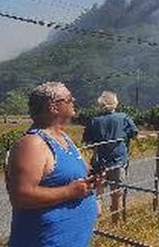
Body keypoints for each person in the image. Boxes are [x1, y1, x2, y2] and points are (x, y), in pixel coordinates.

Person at [6, 82, 101, 247]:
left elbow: (79, 176)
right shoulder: (32, 144)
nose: (74, 100)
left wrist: (93, 179)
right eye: (69, 99)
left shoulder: (64, 138)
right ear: (54, 107)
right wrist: (70, 192)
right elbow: (21, 196)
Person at [82, 91, 137, 223]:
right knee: (116, 193)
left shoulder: (93, 121)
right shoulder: (123, 118)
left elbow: (87, 141)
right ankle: (115, 223)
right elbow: (134, 133)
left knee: (98, 194)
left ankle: (95, 223)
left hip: (99, 162)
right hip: (118, 161)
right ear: (115, 103)